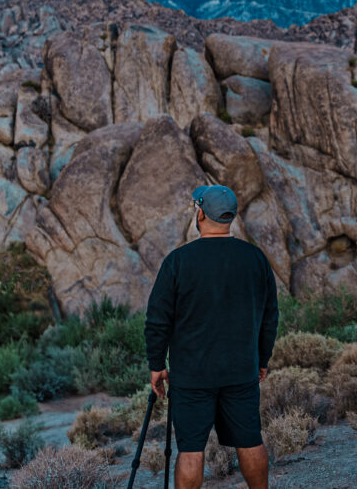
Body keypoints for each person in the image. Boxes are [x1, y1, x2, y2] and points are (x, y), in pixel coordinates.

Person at [145, 185, 279, 489]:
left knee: (191, 450)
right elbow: (270, 315)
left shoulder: (178, 261)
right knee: (250, 440)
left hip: (192, 375)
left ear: (201, 213)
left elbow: (157, 319)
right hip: (241, 369)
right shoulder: (255, 259)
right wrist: (262, 358)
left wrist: (157, 364)